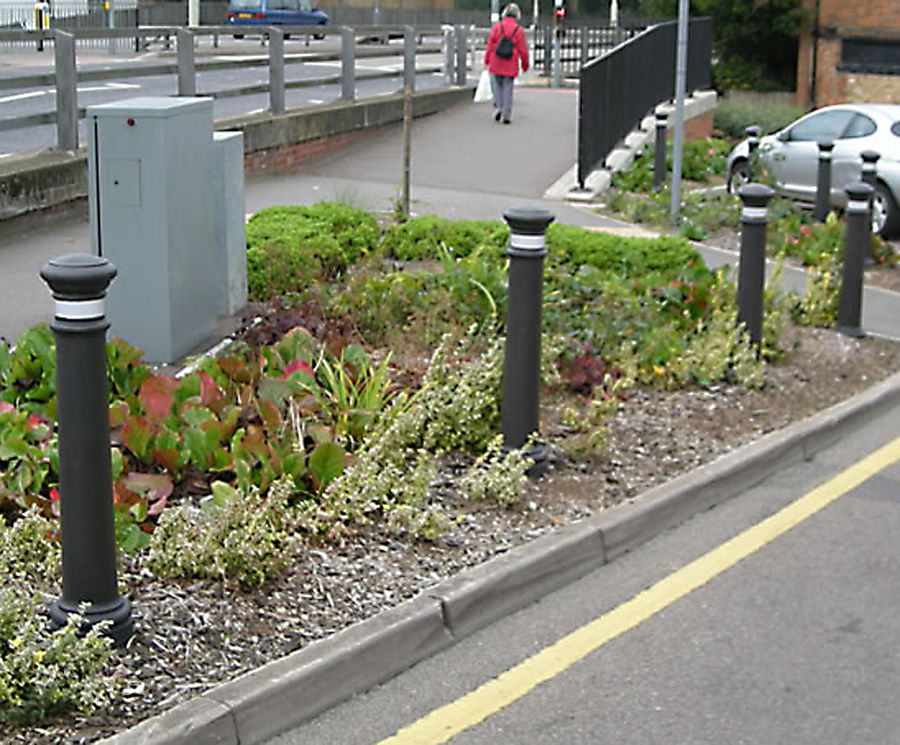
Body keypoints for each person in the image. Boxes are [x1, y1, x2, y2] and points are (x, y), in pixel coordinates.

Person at [484, 3, 529, 125]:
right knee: (508, 88)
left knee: (496, 86)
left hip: (496, 60)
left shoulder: (497, 27)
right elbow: (523, 50)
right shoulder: (518, 30)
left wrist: (487, 59)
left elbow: (490, 45)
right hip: (510, 62)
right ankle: (507, 114)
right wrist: (525, 64)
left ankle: (499, 105)